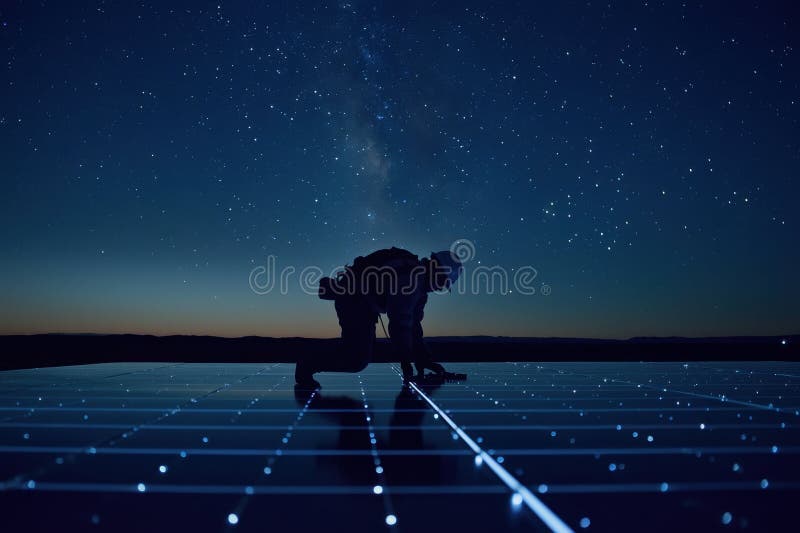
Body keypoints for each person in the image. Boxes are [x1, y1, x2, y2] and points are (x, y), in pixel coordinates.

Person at [294, 247, 463, 387]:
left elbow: (414, 327)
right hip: (354, 300)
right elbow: (400, 324)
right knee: (356, 359)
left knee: (358, 354)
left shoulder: (420, 290)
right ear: (437, 271)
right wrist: (406, 361)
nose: (438, 289)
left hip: (363, 303)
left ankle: (309, 360)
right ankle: (307, 363)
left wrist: (423, 358)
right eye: (442, 283)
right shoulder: (411, 278)